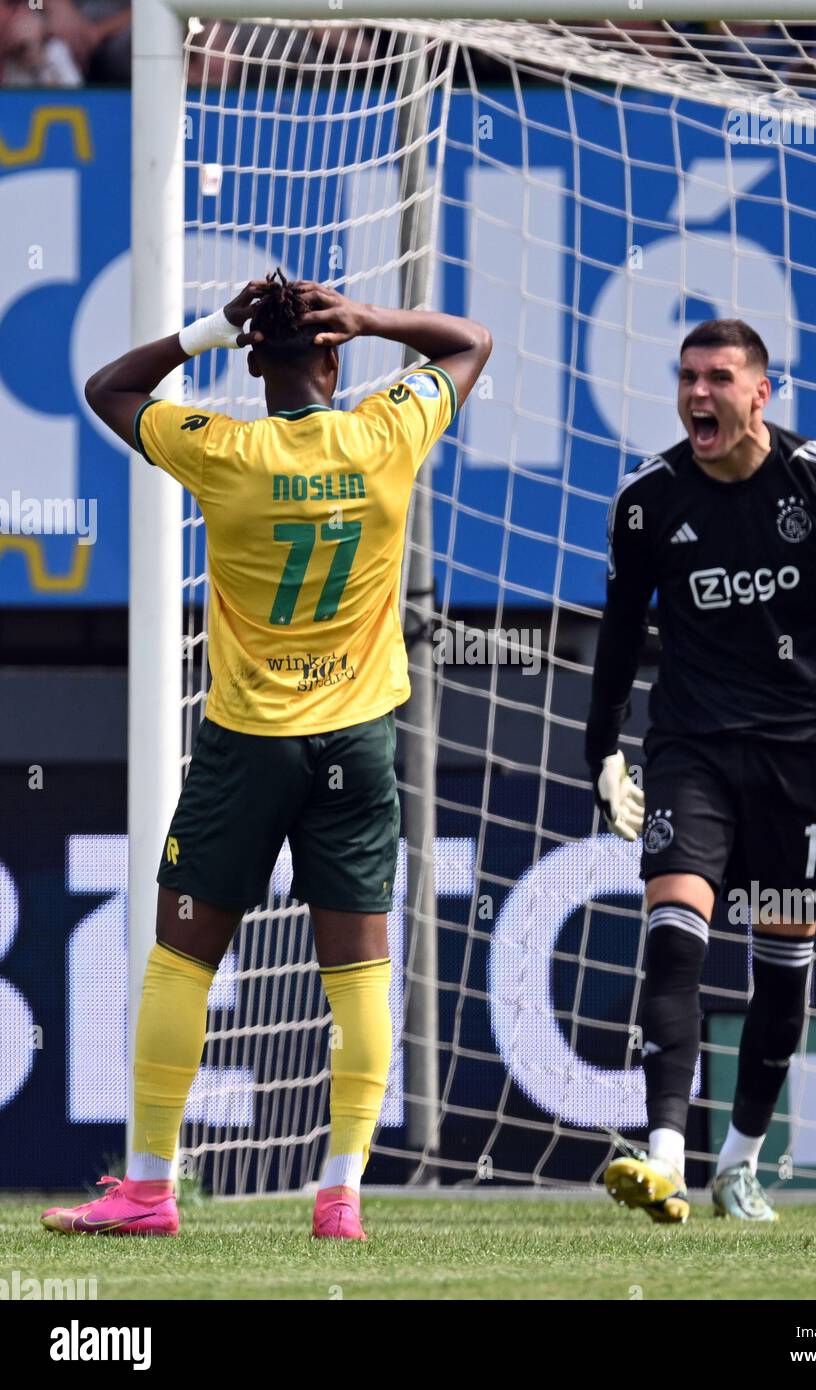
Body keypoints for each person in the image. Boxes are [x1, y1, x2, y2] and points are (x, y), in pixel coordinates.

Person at [41, 272, 491, 1239]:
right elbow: (469, 342)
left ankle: (150, 1190)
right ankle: (340, 1197)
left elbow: (109, 392)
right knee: (358, 970)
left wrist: (205, 329)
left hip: (249, 747)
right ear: (335, 355)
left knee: (181, 956)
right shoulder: (386, 433)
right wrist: (375, 317)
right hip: (359, 743)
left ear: (254, 364)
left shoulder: (229, 455)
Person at [585, 318, 816, 1222]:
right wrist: (602, 748)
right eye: (686, 377)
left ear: (759, 393)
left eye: (718, 379)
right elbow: (618, 630)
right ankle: (662, 1160)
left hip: (802, 758)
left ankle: (737, 1163)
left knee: (780, 972)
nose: (698, 394)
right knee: (673, 932)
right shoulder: (648, 501)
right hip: (691, 749)